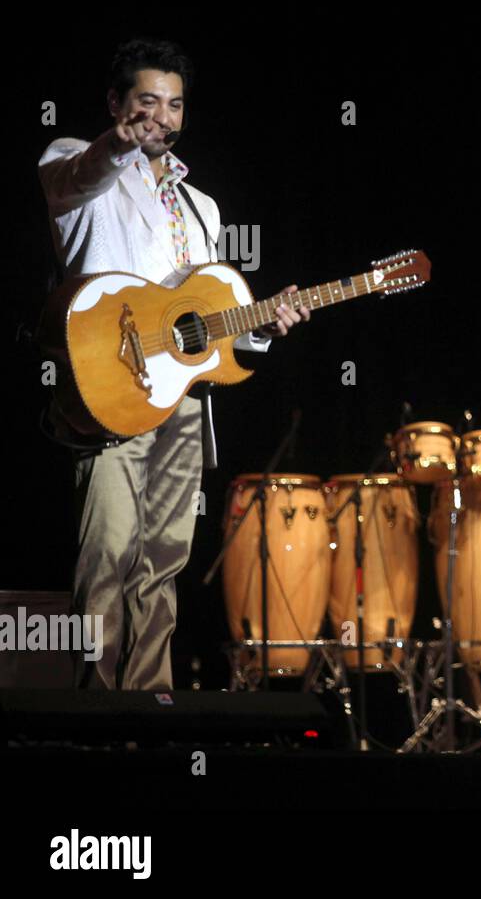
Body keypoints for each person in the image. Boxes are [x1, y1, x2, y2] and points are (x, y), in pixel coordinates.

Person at [38, 38, 310, 690]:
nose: (162, 117)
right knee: (106, 556)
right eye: (147, 102)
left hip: (183, 402)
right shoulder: (74, 162)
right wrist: (118, 143)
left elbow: (201, 317)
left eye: (175, 105)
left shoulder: (202, 206)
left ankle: (151, 710)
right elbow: (81, 177)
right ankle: (94, 720)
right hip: (112, 387)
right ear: (116, 103)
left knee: (163, 560)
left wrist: (263, 325)